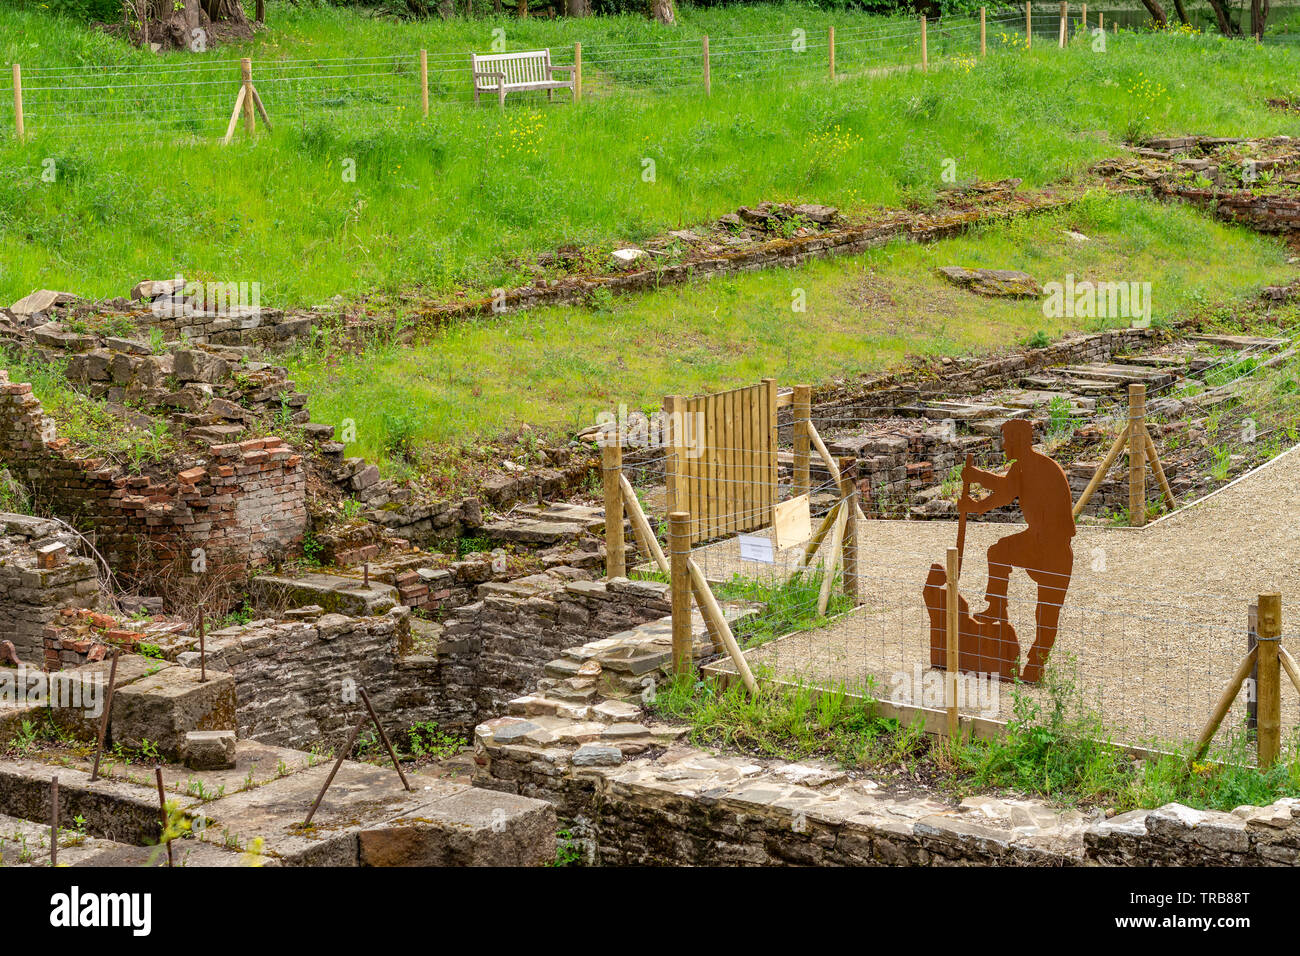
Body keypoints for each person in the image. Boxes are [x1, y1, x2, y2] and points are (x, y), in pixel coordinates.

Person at [958, 418, 1074, 683]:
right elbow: (1005, 492)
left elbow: (1006, 490)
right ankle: (997, 606)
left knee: (1046, 612)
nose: (1004, 445)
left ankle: (1036, 665)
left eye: (1007, 440)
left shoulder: (1042, 467)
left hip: (1053, 548)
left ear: (1020, 441)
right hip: (1036, 541)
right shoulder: (1022, 467)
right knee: (998, 552)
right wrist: (974, 505)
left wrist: (977, 480)